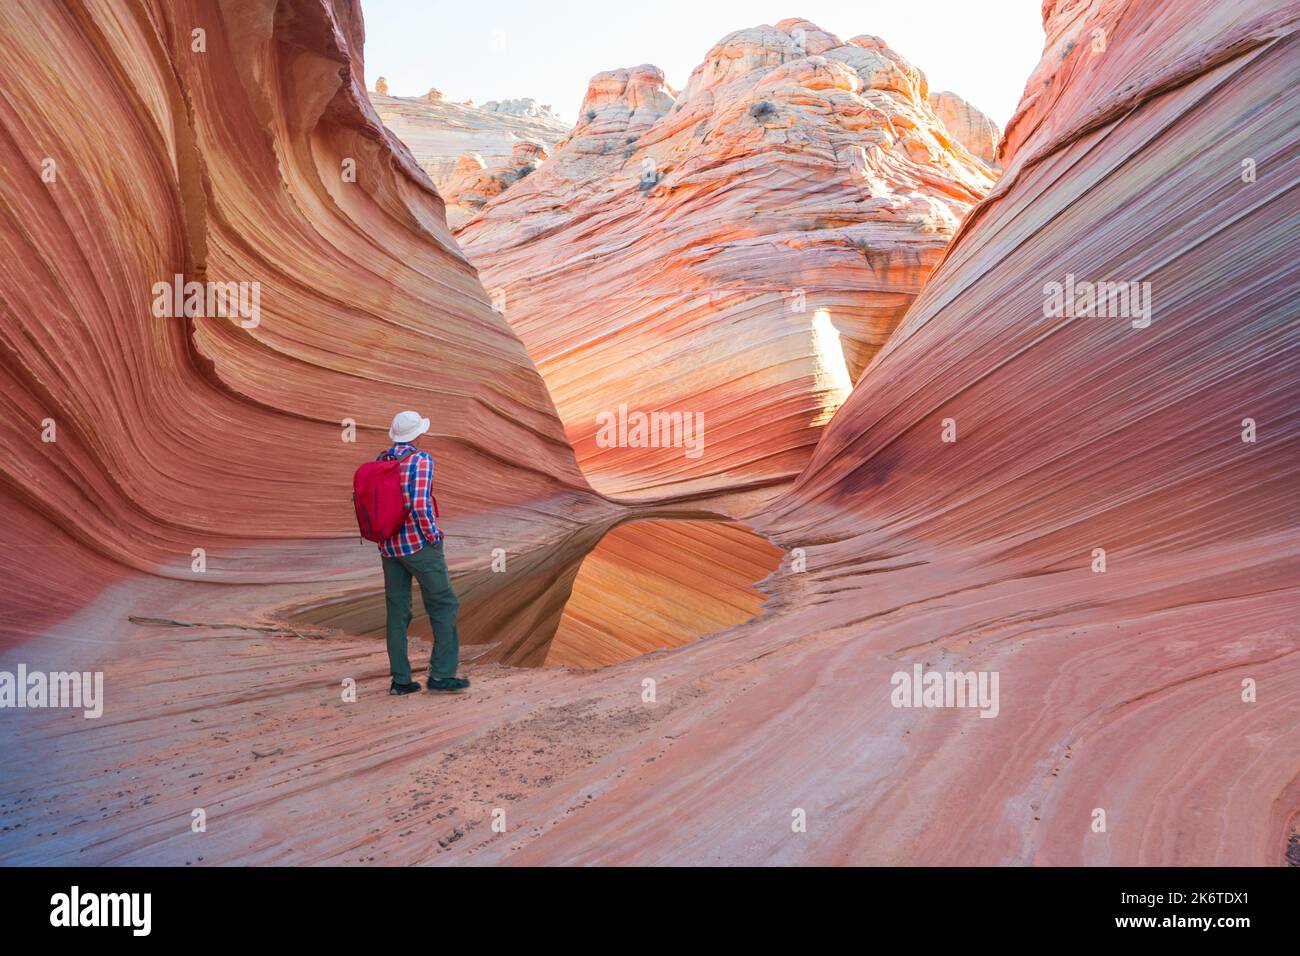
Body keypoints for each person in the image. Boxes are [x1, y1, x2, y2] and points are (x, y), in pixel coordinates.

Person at [376, 410, 469, 695]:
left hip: (389, 547)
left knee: (397, 611)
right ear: (418, 434)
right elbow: (418, 504)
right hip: (418, 545)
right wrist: (433, 535)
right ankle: (441, 675)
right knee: (443, 604)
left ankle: (401, 681)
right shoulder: (421, 460)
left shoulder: (380, 461)